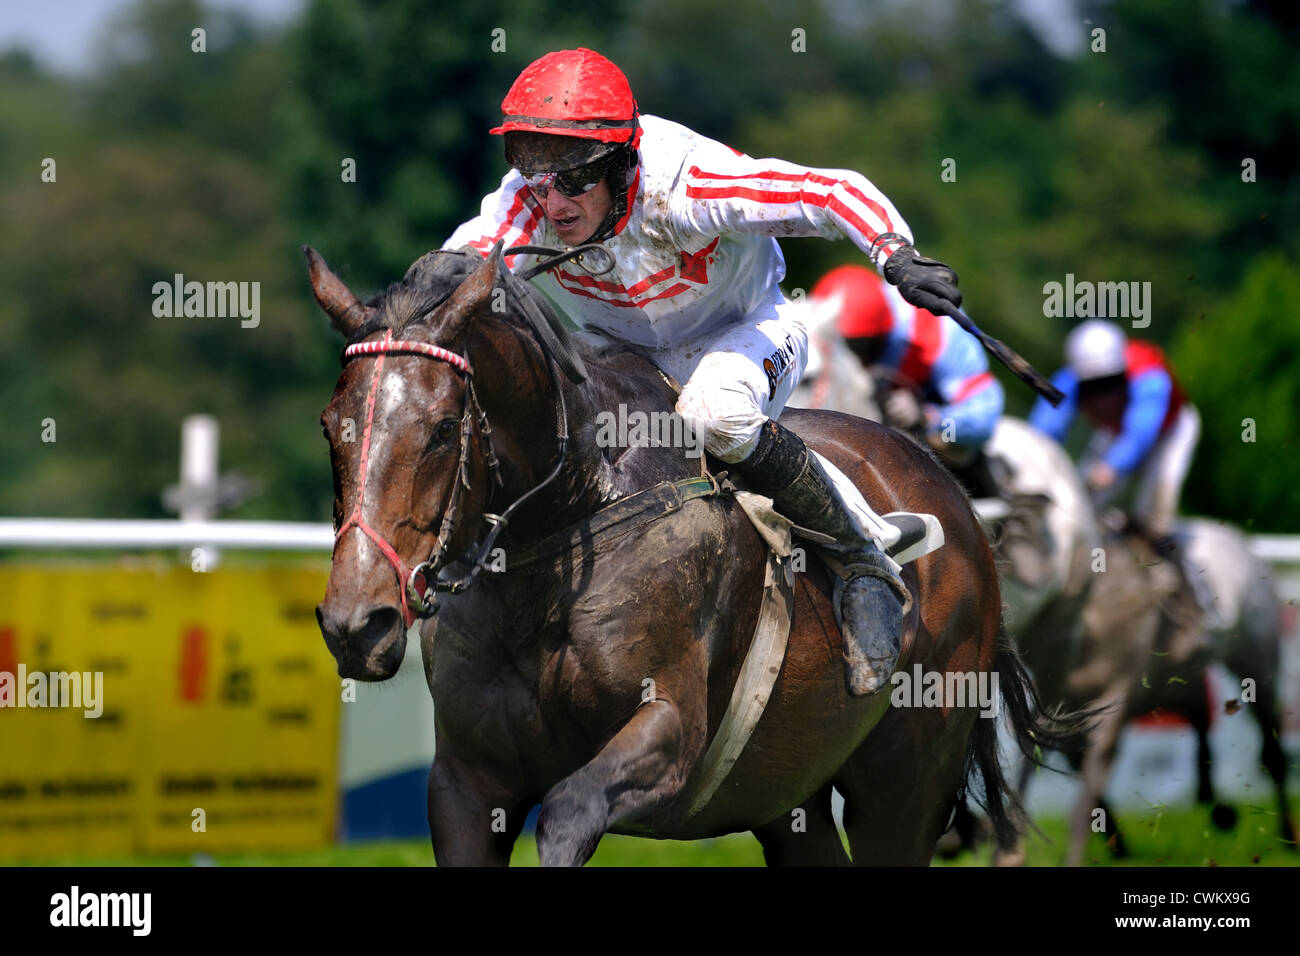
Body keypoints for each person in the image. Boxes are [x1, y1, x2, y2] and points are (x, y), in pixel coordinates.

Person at [443, 48, 963, 696]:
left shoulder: (689, 186)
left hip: (745, 331)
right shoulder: (529, 205)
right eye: (533, 174)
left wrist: (896, 254)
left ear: (618, 163)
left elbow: (828, 191)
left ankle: (863, 558)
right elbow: (450, 278)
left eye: (572, 180)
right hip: (617, 353)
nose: (552, 201)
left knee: (711, 415)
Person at [809, 264, 1005, 496]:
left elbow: (985, 414)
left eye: (861, 349)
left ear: (883, 331)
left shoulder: (939, 330)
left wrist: (927, 416)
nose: (856, 365)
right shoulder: (813, 334)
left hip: (931, 442)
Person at [1028, 319, 1199, 549]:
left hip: (1170, 433)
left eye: (1109, 383)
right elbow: (1046, 425)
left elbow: (1140, 434)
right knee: (1083, 506)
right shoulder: (1072, 376)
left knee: (1153, 517)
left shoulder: (1150, 376)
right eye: (1092, 385)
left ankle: (1172, 570)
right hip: (1117, 432)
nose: (1101, 396)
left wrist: (1112, 466)